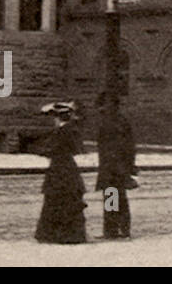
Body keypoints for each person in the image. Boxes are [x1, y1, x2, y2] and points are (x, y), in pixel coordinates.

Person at [35, 101, 87, 244]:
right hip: (66, 169)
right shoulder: (69, 130)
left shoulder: (64, 131)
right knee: (65, 201)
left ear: (58, 118)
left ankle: (59, 235)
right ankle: (66, 234)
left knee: (58, 200)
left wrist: (45, 150)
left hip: (61, 169)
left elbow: (57, 148)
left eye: (55, 117)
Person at [95, 91, 136, 239]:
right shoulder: (113, 121)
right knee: (112, 197)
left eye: (104, 106)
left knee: (116, 198)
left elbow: (127, 147)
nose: (101, 109)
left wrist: (127, 167)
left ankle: (119, 229)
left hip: (115, 167)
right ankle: (114, 229)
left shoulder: (116, 123)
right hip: (112, 167)